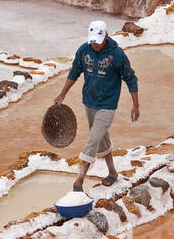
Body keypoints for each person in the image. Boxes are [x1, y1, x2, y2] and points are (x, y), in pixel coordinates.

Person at [52, 19, 140, 192]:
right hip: (89, 102)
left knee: (93, 139)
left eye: (98, 42)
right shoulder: (84, 50)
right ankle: (112, 172)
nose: (95, 45)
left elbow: (131, 79)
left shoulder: (117, 55)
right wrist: (62, 95)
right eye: (93, 41)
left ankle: (79, 181)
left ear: (106, 36)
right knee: (101, 139)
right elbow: (75, 71)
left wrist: (135, 106)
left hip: (108, 104)